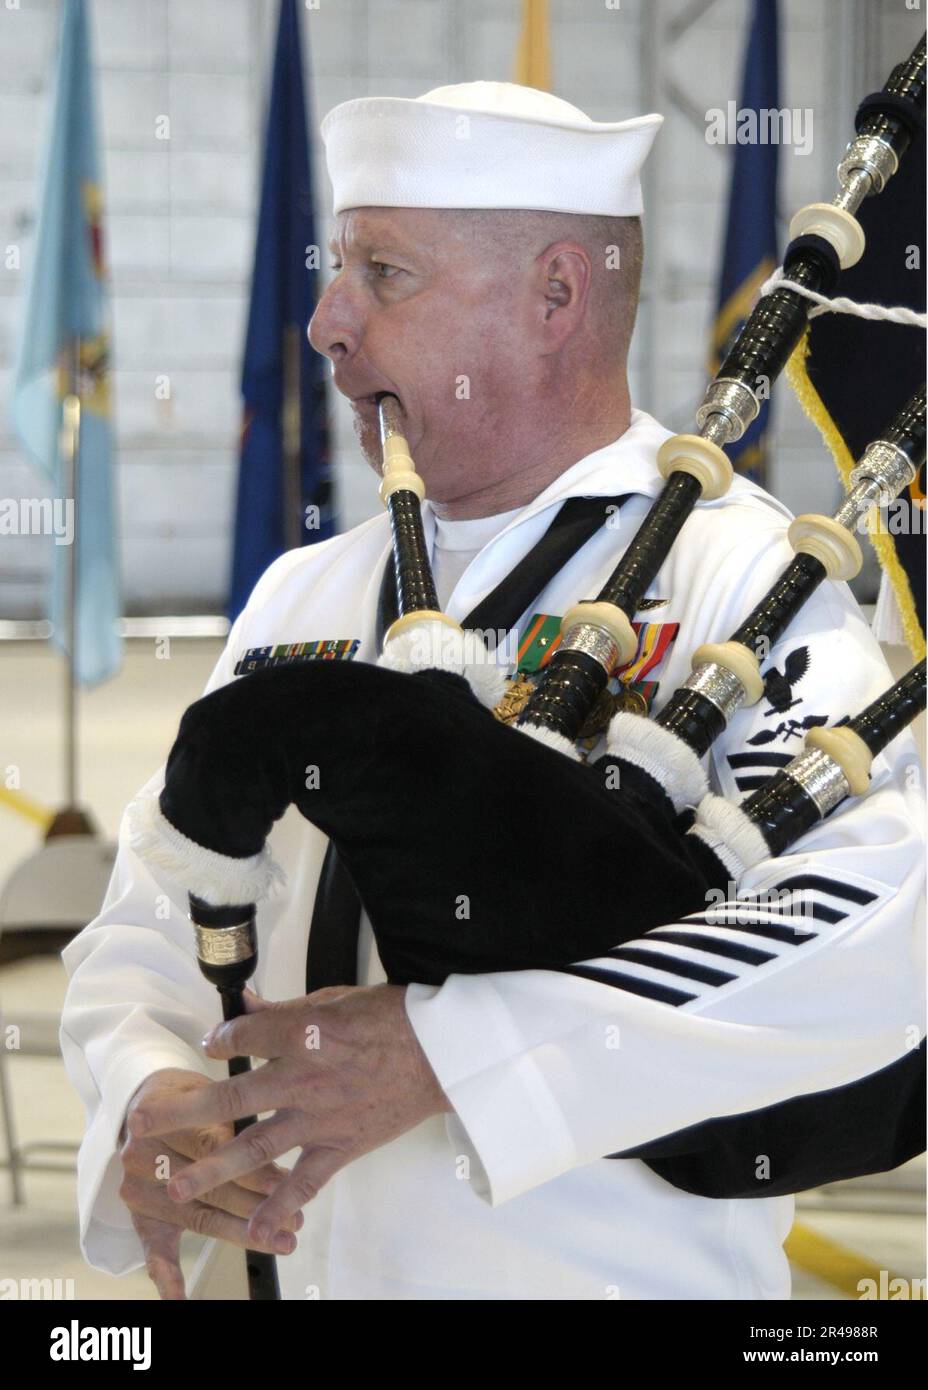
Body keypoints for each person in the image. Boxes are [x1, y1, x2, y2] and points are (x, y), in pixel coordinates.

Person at [61, 82, 925, 1301]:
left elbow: (865, 932)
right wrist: (154, 1094)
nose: (324, 323)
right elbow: (150, 918)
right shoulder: (301, 595)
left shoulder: (735, 571)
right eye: (334, 270)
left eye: (384, 274)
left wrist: (452, 1056)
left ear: (556, 296)